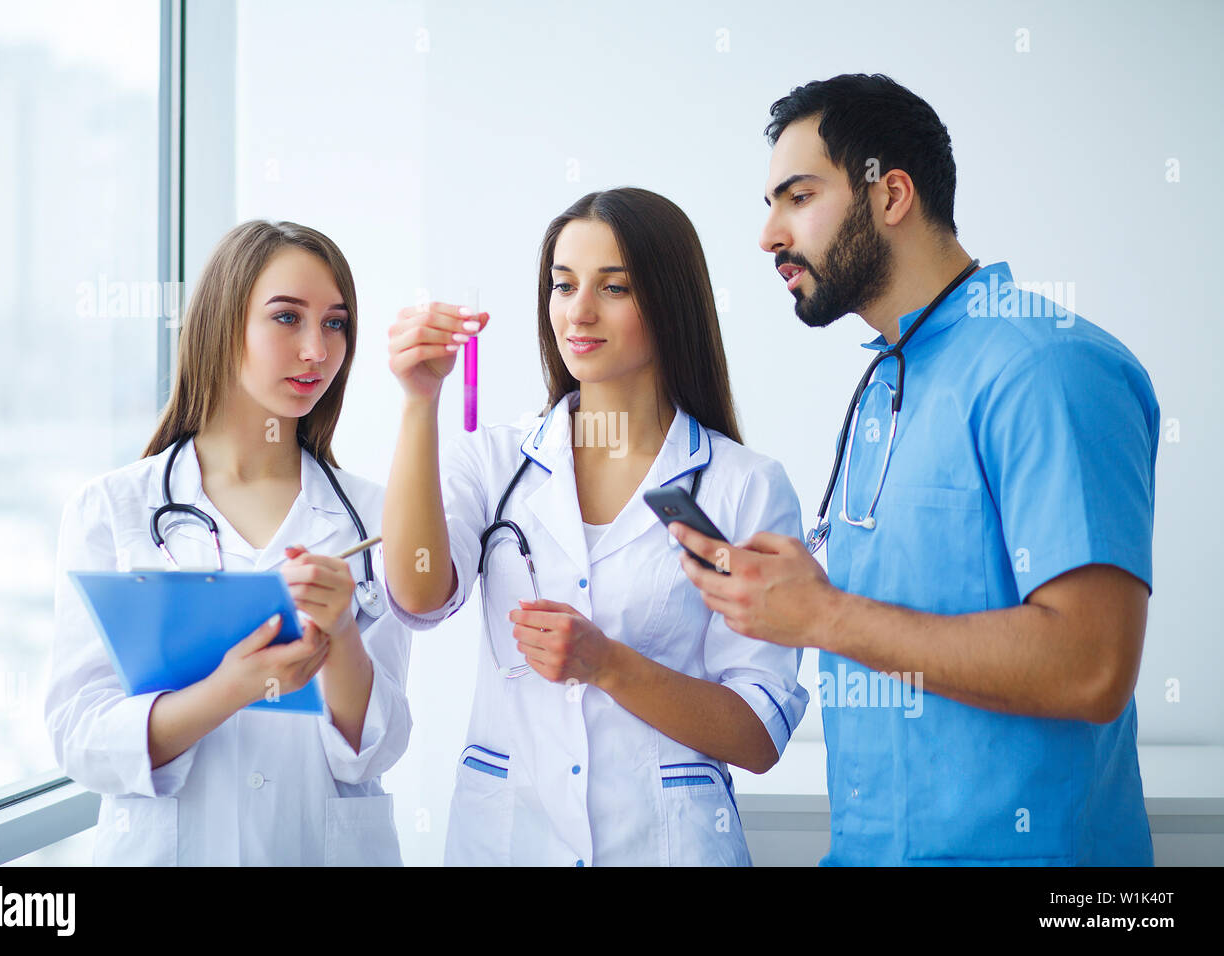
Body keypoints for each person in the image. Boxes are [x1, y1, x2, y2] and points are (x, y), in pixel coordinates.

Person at [670, 74, 1158, 865]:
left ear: (890, 194)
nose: (768, 234)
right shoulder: (885, 382)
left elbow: (1092, 664)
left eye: (796, 197)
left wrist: (825, 616)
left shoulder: (1049, 369)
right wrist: (792, 598)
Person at [381, 187, 809, 866]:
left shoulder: (743, 487)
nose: (578, 311)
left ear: (668, 303)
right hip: (510, 842)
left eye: (613, 287)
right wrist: (418, 403)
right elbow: (417, 595)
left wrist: (608, 664)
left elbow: (758, 734)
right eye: (562, 285)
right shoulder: (492, 461)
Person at [45, 220, 411, 866]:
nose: (317, 351)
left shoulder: (373, 517)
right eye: (286, 318)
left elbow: (373, 750)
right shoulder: (112, 510)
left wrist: (343, 636)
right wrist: (232, 689)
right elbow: (80, 735)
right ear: (223, 324)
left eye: (335, 324)